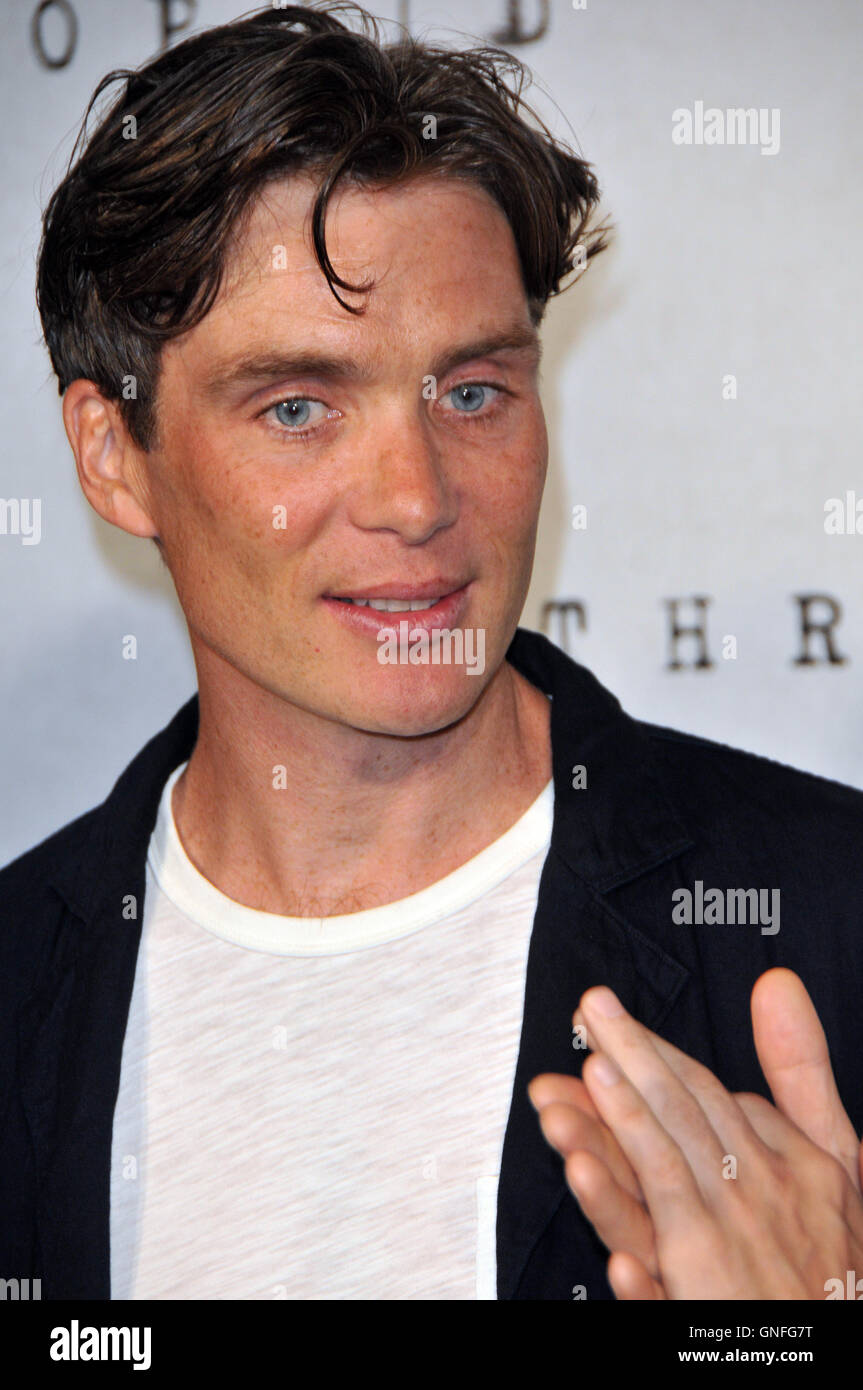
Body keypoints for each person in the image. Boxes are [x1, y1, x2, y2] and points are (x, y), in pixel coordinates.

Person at [1, 2, 861, 1302]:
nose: (416, 496)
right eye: (297, 406)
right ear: (114, 456)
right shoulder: (21, 978)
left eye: (471, 391)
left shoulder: (830, 911)